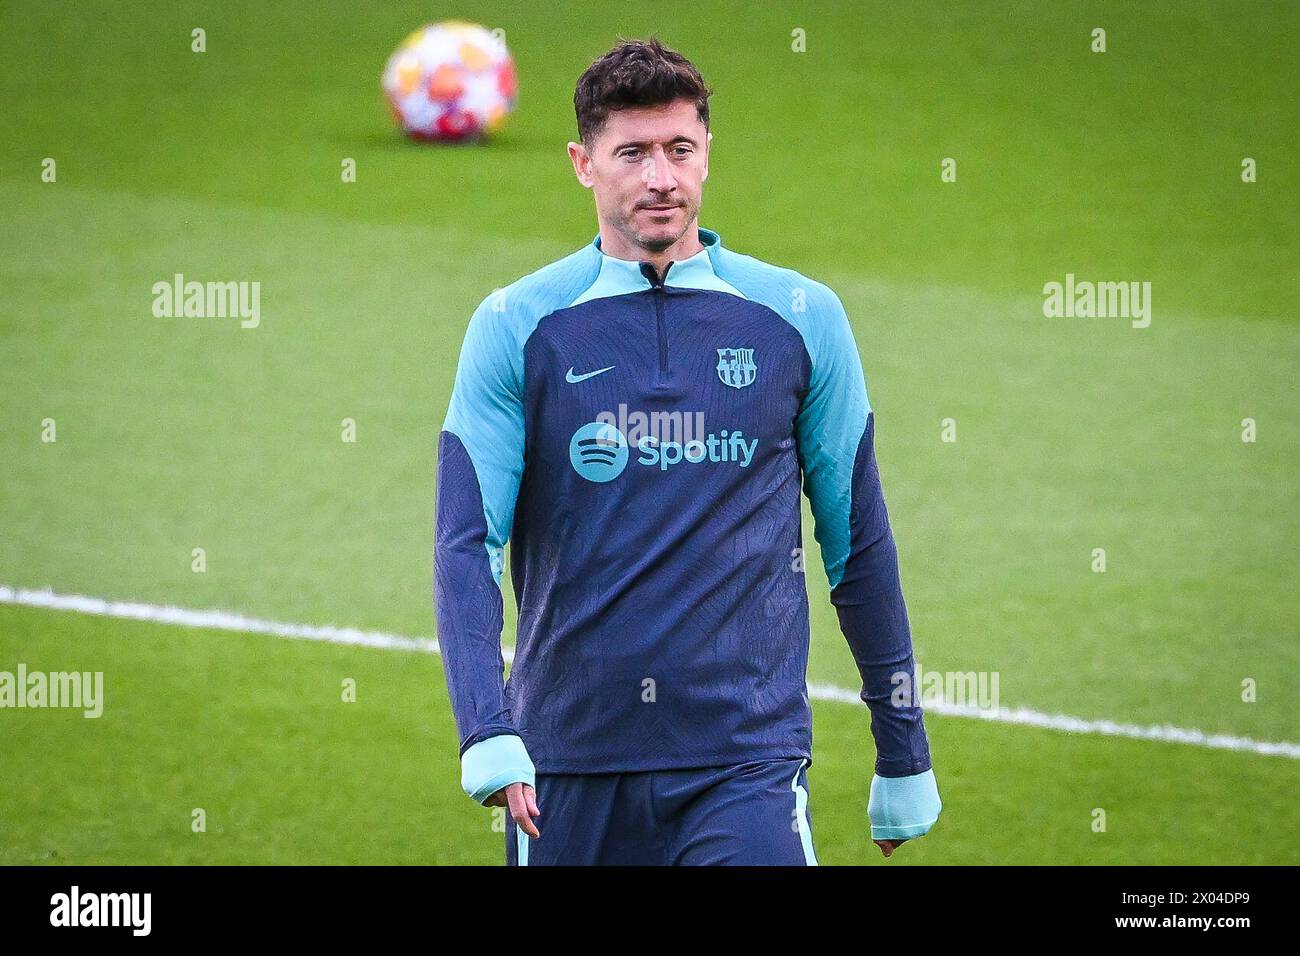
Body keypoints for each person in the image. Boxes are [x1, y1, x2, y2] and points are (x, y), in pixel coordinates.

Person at [435, 37, 941, 865]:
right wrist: (484, 728)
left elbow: (859, 546)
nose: (660, 177)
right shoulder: (516, 327)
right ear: (582, 163)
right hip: (563, 762)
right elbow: (466, 545)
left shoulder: (802, 319)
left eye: (680, 149)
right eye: (631, 152)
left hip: (746, 761)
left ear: (708, 153)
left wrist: (904, 748)